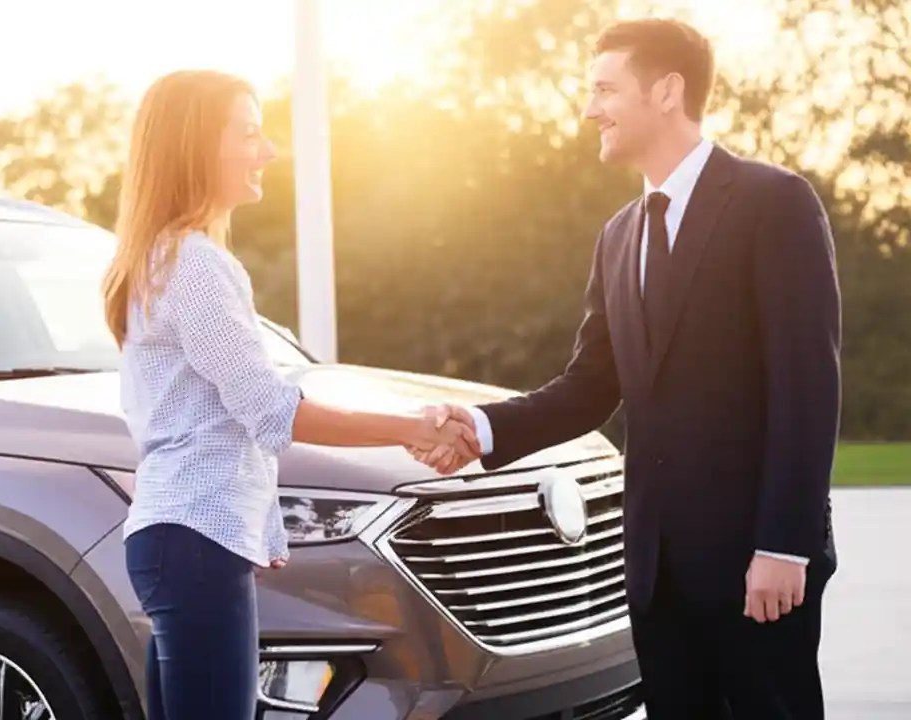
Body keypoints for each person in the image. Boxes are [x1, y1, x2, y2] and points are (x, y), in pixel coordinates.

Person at [414, 19, 840, 720]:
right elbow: (589, 388)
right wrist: (481, 428)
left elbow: (808, 387)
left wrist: (784, 546)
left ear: (667, 92)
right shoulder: (618, 237)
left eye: (605, 89)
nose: (589, 110)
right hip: (654, 573)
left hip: (757, 565)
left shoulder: (775, 203)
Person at [102, 69, 480, 720]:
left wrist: (263, 528)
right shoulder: (194, 266)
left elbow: (216, 420)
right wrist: (412, 426)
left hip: (180, 540)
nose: (269, 150)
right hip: (194, 545)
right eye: (248, 133)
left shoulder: (160, 259)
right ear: (195, 146)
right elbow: (272, 411)